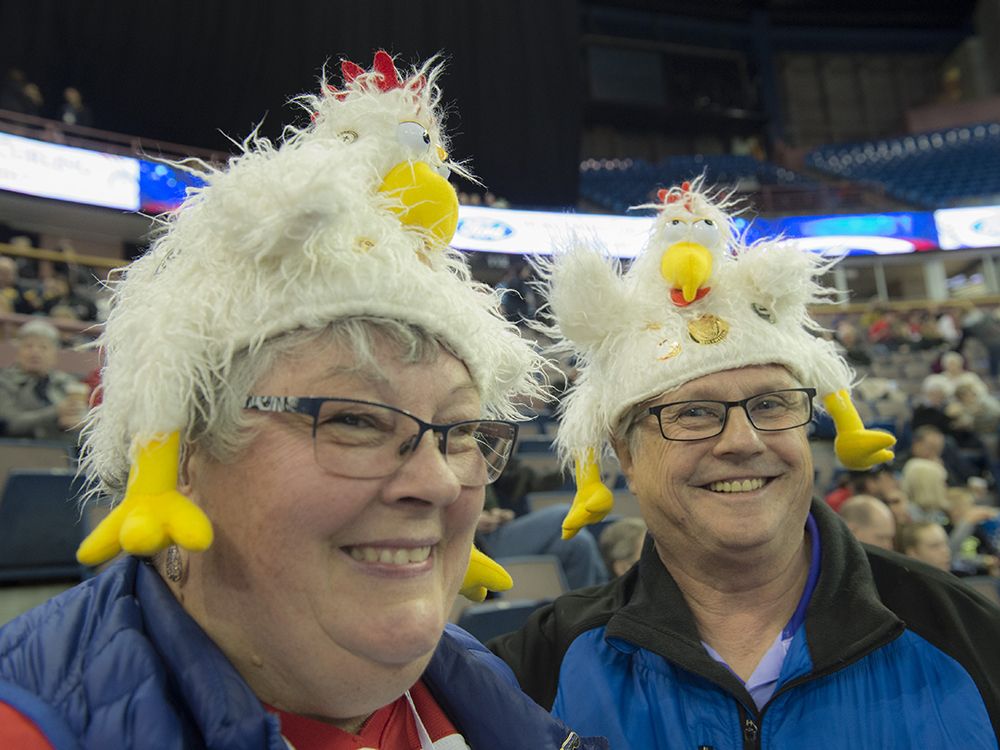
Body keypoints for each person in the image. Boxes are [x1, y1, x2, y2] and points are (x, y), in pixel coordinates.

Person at [0, 52, 607, 750]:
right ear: (188, 455)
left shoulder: (493, 692)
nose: (440, 480)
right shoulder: (32, 729)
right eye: (354, 420)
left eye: (461, 430)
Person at [490, 179, 1000, 747]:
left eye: (771, 405)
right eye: (695, 413)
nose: (743, 440)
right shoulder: (534, 669)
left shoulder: (967, 635)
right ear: (627, 454)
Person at [0, 319, 89, 441]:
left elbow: (83, 426)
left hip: (62, 452)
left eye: (43, 347)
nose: (35, 352)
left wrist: (79, 424)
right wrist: (55, 413)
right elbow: (10, 423)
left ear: (54, 355)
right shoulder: (4, 381)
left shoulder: (66, 383)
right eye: (28, 346)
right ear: (18, 352)